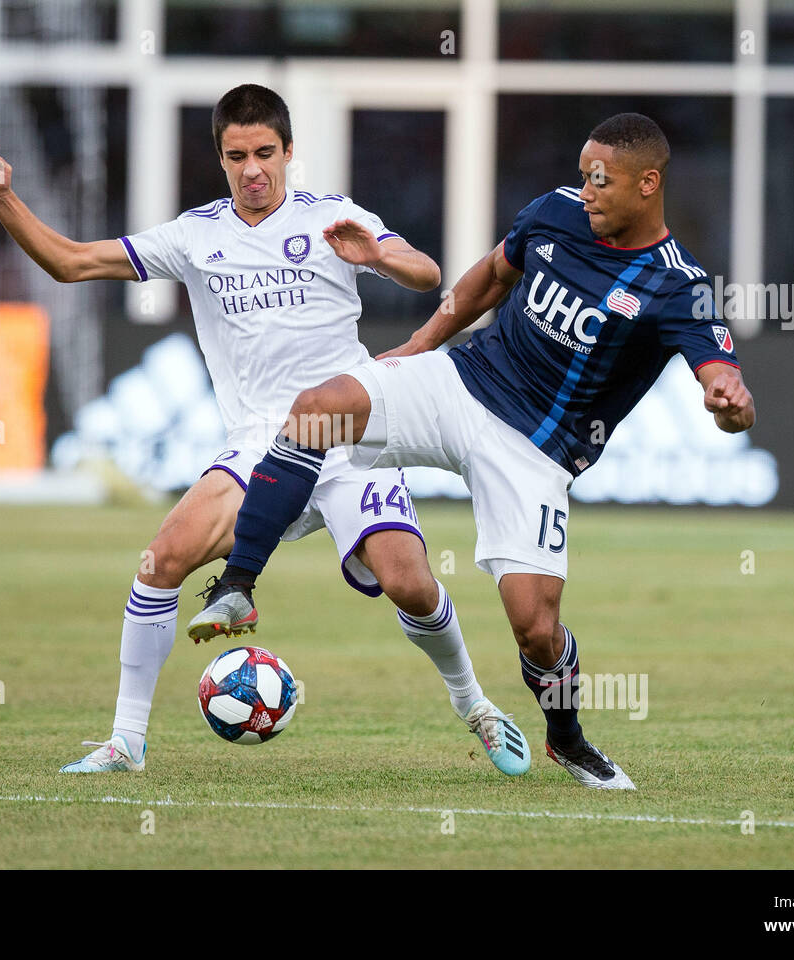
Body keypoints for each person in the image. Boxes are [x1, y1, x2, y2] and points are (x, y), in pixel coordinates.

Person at [0, 84, 529, 777]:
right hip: (261, 441)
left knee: (410, 584)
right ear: (221, 158)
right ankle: (126, 742)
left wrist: (374, 256)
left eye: (265, 153)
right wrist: (3, 200)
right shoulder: (196, 234)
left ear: (289, 152)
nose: (252, 169)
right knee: (162, 560)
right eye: (237, 156)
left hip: (351, 432)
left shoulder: (334, 217)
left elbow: (427, 272)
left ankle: (477, 708)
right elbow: (72, 262)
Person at [193, 112, 758, 790]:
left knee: (536, 630)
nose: (585, 192)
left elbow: (722, 377)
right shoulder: (554, 213)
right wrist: (421, 345)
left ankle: (568, 740)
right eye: (582, 176)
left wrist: (732, 402)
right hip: (463, 382)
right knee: (318, 409)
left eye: (600, 181)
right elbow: (491, 276)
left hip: (536, 452)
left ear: (648, 183)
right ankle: (238, 585)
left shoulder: (678, 285)